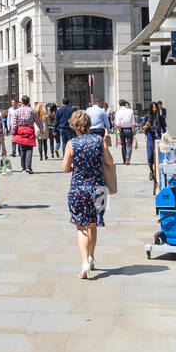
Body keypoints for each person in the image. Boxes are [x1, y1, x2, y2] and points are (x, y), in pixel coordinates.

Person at [62, 110, 113, 278]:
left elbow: (65, 168)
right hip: (97, 188)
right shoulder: (99, 141)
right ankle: (91, 257)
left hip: (78, 189)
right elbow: (109, 161)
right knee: (93, 224)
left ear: (73, 126)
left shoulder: (71, 143)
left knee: (81, 226)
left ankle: (84, 263)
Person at [8, 95, 43, 174]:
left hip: (20, 131)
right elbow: (38, 121)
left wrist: (13, 133)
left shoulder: (17, 111)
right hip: (30, 130)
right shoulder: (32, 110)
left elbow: (14, 123)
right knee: (29, 149)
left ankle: (23, 167)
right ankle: (28, 167)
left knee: (22, 149)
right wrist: (41, 129)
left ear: (22, 102)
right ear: (29, 102)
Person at [142, 101, 163, 182]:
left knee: (158, 155)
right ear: (150, 109)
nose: (154, 109)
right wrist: (146, 126)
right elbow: (143, 128)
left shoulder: (160, 118)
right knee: (150, 155)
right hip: (150, 137)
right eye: (152, 107)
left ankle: (157, 171)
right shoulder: (147, 117)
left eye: (155, 107)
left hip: (158, 137)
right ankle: (151, 170)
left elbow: (164, 129)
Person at [114, 99, 136, 165]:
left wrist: (119, 130)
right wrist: (134, 130)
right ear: (125, 104)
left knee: (123, 145)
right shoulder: (130, 111)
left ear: (119, 104)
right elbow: (133, 122)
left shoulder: (118, 112)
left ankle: (124, 160)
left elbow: (117, 123)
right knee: (129, 145)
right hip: (129, 129)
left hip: (122, 129)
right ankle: (128, 157)